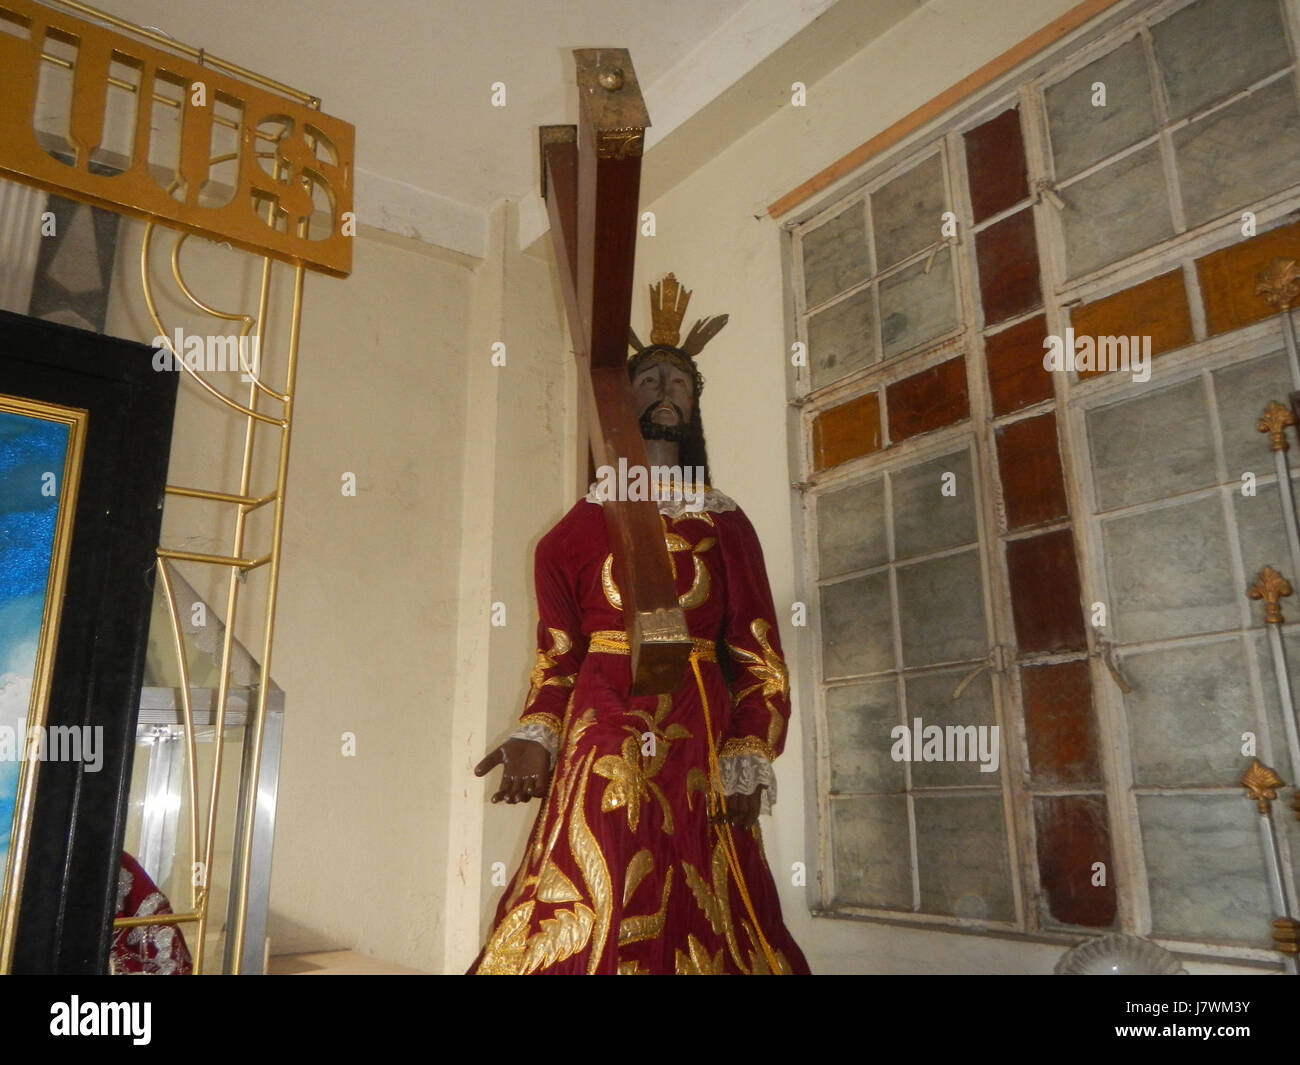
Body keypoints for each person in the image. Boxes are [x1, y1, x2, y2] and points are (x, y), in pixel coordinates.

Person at [470, 275, 809, 975]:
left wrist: (752, 746)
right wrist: (536, 732)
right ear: (620, 402)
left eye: (678, 381)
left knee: (708, 881)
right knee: (594, 877)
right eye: (647, 377)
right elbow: (556, 655)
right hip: (603, 723)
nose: (663, 388)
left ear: (694, 408)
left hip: (702, 731)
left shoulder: (725, 520)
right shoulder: (572, 534)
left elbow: (758, 652)